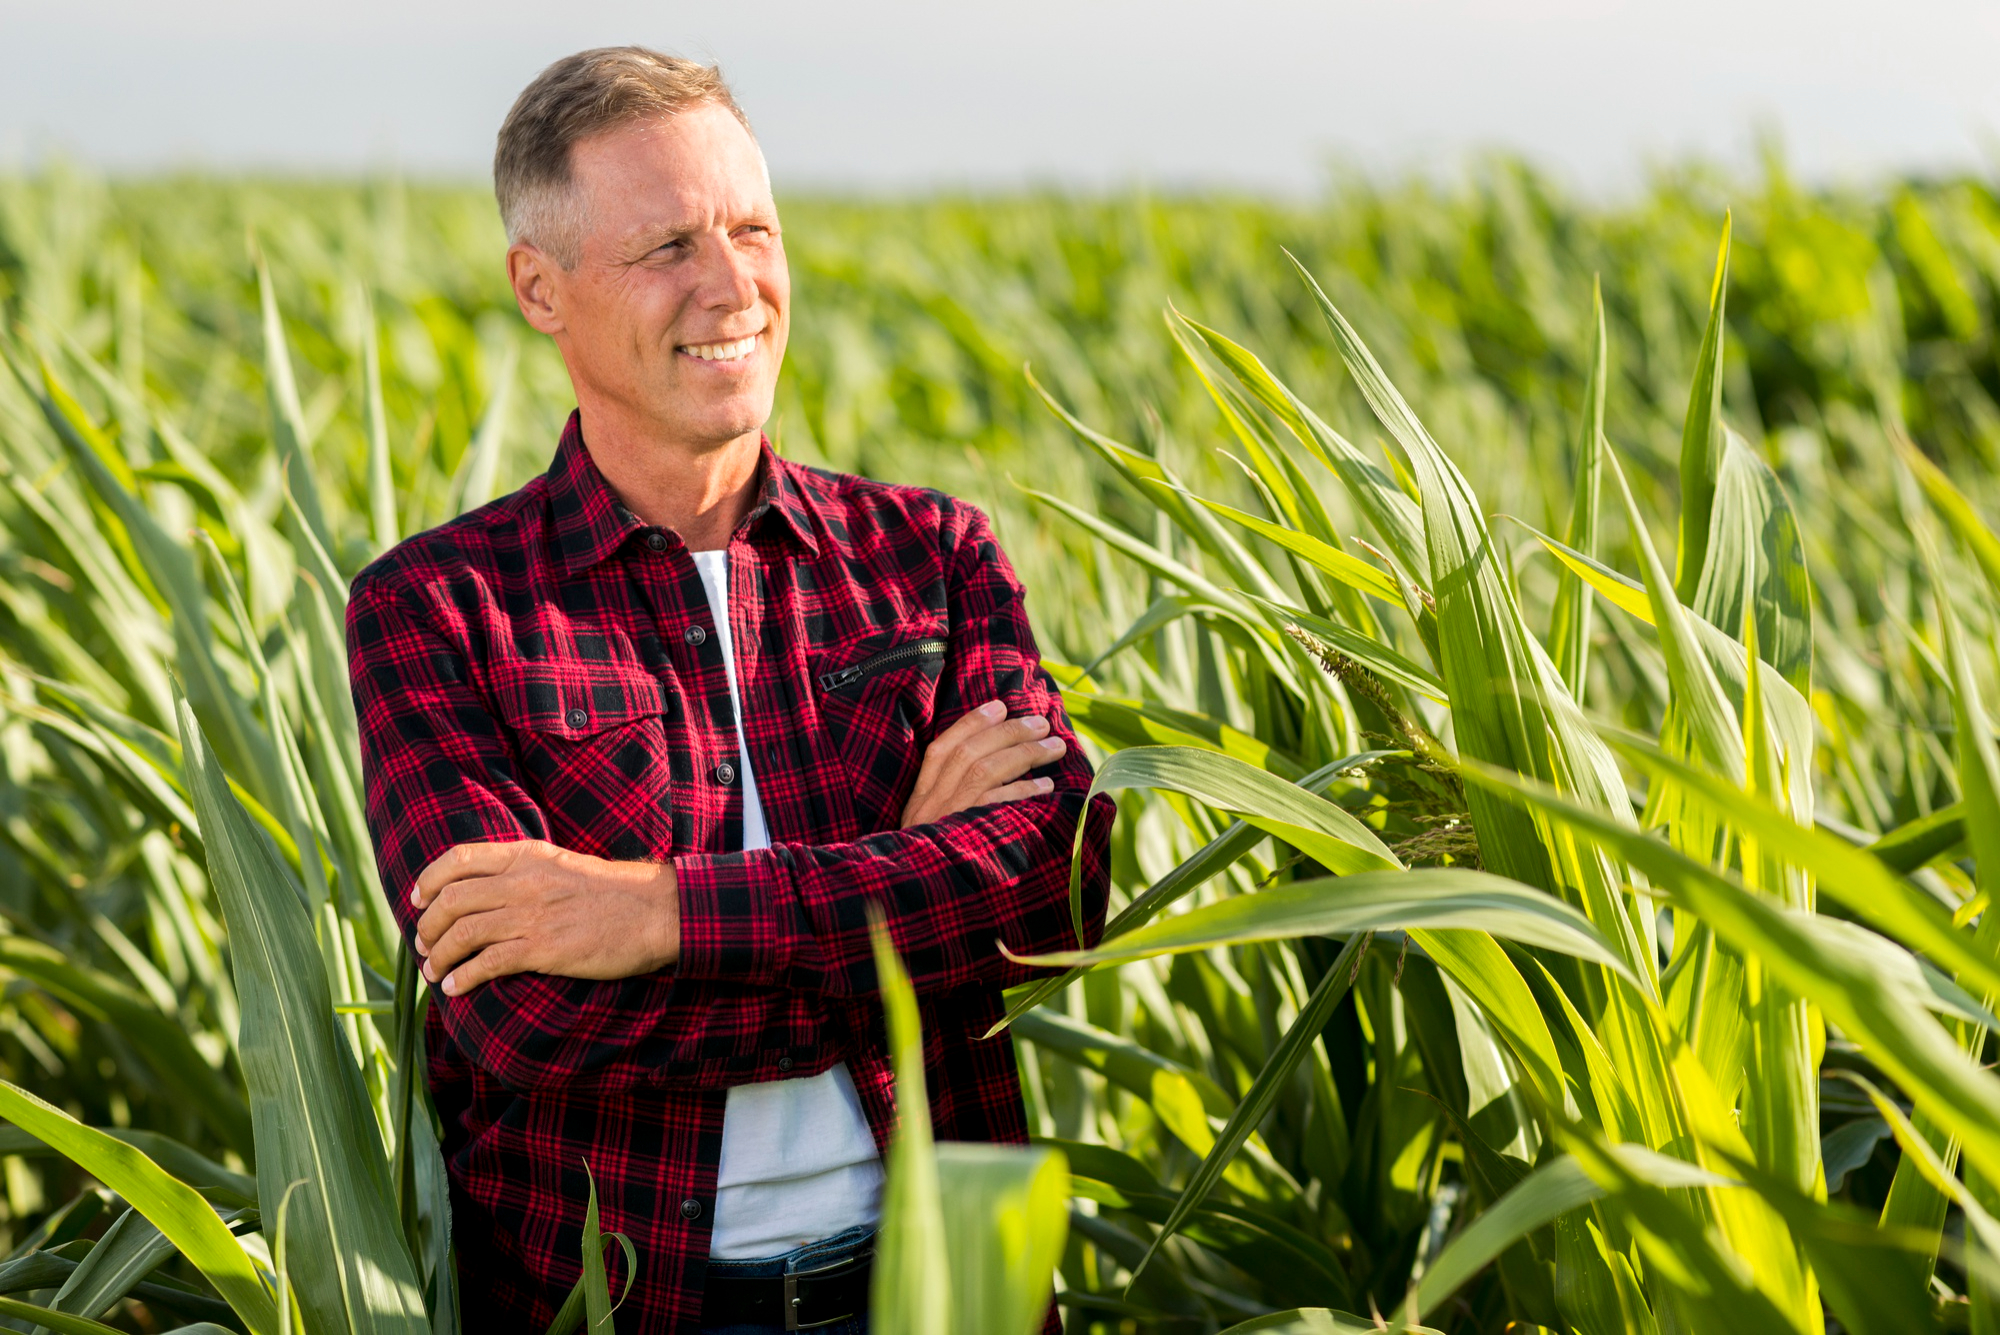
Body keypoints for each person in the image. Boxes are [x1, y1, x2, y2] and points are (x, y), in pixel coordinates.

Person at [346, 45, 1114, 1334]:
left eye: (753, 228)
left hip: (975, 1257)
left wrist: (655, 915)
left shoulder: (932, 553)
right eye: (667, 248)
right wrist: (904, 904)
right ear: (542, 287)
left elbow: (1059, 891)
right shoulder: (439, 607)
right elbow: (527, 1026)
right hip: (629, 1296)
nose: (732, 286)